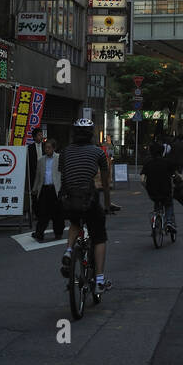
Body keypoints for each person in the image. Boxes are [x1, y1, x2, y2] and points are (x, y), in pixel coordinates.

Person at [58, 119, 112, 293]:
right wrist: (108, 205)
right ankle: (100, 280)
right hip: (89, 200)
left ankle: (68, 251)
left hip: (69, 200)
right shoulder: (98, 152)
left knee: (75, 222)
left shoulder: (65, 152)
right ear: (91, 134)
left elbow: (64, 176)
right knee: (99, 238)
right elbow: (105, 183)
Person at [141, 142, 177, 236]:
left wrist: (147, 187)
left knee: (157, 203)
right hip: (166, 190)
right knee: (169, 204)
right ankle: (169, 221)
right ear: (162, 152)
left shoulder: (148, 163)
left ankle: (156, 224)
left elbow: (142, 179)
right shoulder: (167, 162)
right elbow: (175, 175)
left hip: (152, 192)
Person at [31, 139, 63, 242]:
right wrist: (35, 189)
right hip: (44, 189)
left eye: (49, 147)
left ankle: (58, 233)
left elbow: (63, 174)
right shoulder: (41, 160)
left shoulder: (59, 158)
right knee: (42, 212)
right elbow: (38, 176)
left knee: (57, 213)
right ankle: (39, 233)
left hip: (55, 189)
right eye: (46, 147)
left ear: (54, 148)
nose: (47, 149)